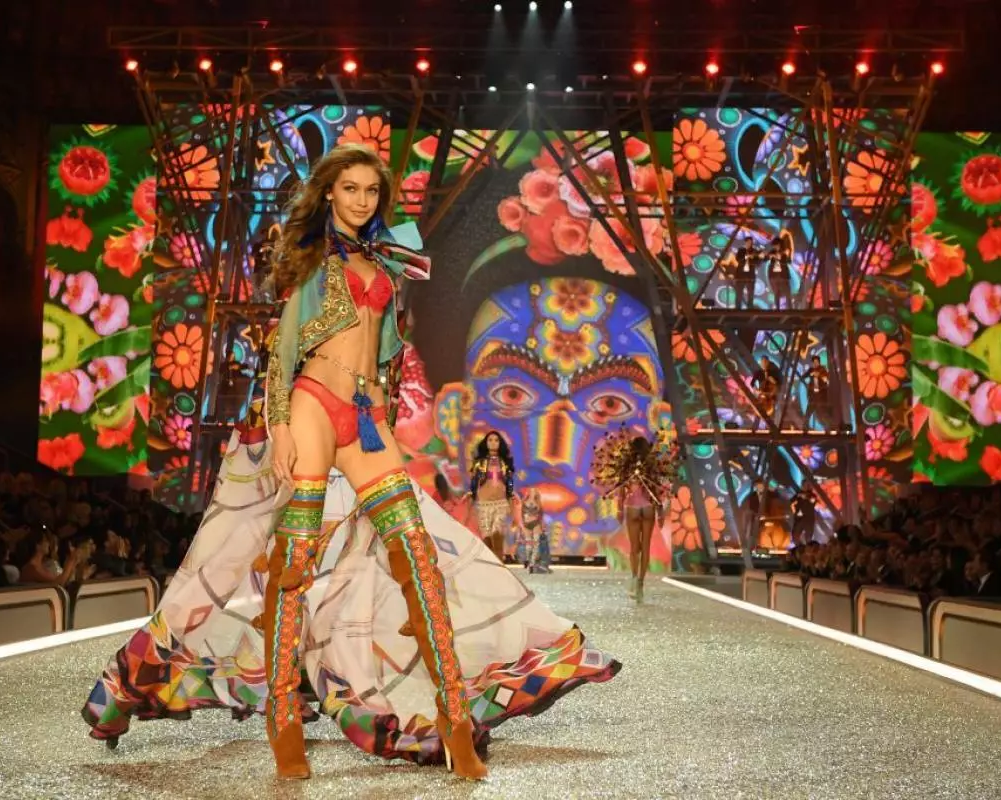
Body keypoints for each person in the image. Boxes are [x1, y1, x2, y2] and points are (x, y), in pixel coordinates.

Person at [81, 144, 620, 781]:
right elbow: (283, 351)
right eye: (352, 189)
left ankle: (454, 718)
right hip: (311, 402)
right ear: (330, 193)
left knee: (418, 554)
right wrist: (279, 427)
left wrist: (385, 411)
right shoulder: (311, 255)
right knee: (295, 563)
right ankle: (284, 723)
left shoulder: (384, 259)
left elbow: (386, 351)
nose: (362, 200)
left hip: (366, 415)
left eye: (371, 191)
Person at [591, 430, 675, 604]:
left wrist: (620, 510)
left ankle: (634, 577)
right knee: (645, 547)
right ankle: (641, 584)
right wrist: (660, 513)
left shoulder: (626, 466)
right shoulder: (652, 466)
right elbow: (659, 491)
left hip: (632, 508)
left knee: (634, 547)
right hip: (649, 508)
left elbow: (621, 489)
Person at [467, 431, 515, 562]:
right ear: (486, 443)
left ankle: (501, 568)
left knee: (497, 534)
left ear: (500, 444)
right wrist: (469, 505)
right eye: (490, 440)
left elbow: (510, 484)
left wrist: (511, 504)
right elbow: (473, 485)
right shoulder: (479, 463)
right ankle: (493, 569)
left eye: (496, 440)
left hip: (500, 504)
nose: (493, 442)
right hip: (483, 506)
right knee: (487, 539)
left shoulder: (505, 463)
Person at [517, 486, 551, 574]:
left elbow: (541, 515)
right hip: (526, 524)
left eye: (535, 491)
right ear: (528, 492)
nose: (533, 492)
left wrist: (542, 525)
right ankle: (527, 559)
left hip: (536, 524)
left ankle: (532, 564)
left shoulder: (538, 502)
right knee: (528, 544)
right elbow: (520, 514)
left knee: (536, 544)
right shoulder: (523, 502)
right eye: (531, 491)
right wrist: (521, 525)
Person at [802, 355, 831, 432]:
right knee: (808, 412)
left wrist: (819, 375)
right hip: (813, 395)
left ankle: (827, 429)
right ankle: (805, 428)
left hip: (821, 395)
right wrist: (811, 374)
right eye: (814, 362)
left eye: (816, 362)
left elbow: (826, 379)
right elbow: (803, 376)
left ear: (819, 363)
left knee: (823, 412)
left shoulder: (823, 369)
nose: (815, 364)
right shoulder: (811, 370)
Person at [766, 233, 792, 310]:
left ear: (780, 245)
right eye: (774, 245)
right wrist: (769, 256)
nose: (775, 247)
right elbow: (765, 258)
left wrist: (781, 257)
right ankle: (777, 310)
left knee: (787, 294)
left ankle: (790, 310)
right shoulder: (771, 252)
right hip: (774, 276)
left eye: (776, 245)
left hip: (783, 276)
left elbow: (789, 261)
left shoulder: (785, 252)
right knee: (776, 294)